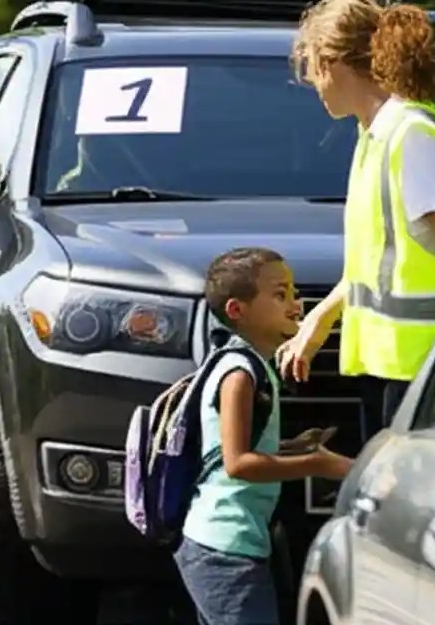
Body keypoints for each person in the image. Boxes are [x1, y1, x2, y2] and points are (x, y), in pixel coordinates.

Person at [278, 0, 435, 432]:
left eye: (311, 69)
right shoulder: (375, 133)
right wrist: (322, 316)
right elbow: (373, 265)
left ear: (331, 62)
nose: (314, 85)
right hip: (392, 370)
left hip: (423, 377)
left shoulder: (410, 135)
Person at [176, 247, 353, 625]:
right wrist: (320, 463)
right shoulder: (239, 374)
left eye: (293, 291)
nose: (295, 303)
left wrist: (291, 447)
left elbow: (236, 449)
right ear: (238, 311)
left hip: (230, 546)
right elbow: (238, 463)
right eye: (280, 294)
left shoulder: (253, 366)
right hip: (223, 550)